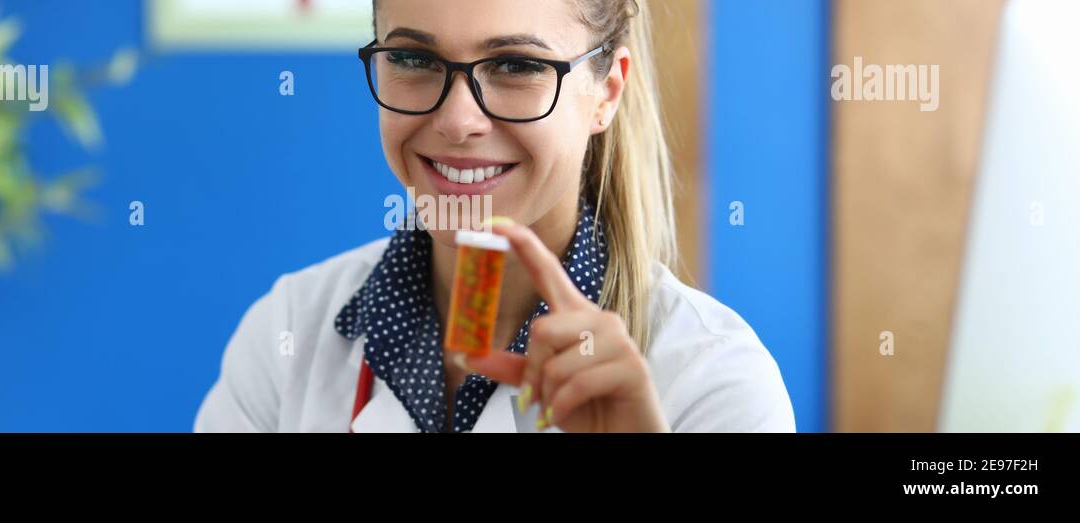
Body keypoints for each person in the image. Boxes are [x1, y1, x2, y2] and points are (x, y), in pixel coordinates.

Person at [195, 0, 795, 433]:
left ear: (607, 93)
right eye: (412, 56)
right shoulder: (286, 333)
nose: (458, 122)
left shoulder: (713, 380)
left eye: (516, 66)